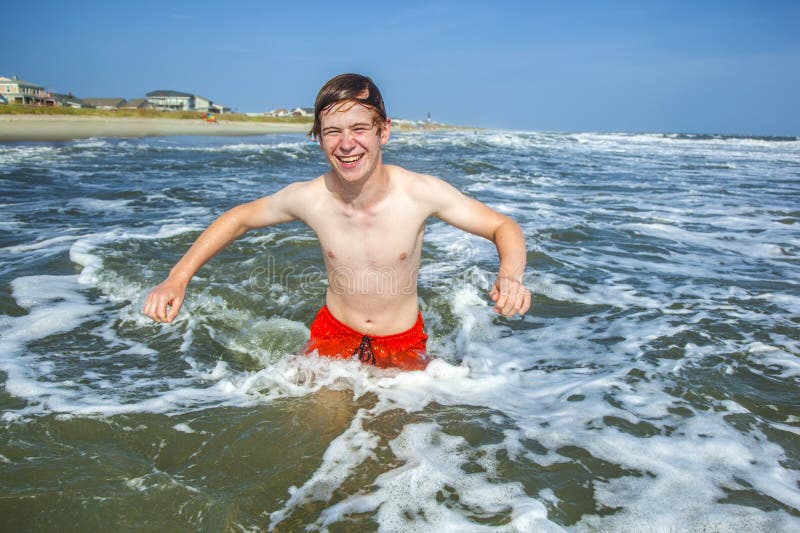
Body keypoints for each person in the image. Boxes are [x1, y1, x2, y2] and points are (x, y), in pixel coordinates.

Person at [143, 73, 530, 370]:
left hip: (402, 341)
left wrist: (510, 276)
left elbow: (503, 227)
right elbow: (239, 218)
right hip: (332, 333)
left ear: (384, 131)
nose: (347, 144)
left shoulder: (420, 193)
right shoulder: (311, 197)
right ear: (319, 138)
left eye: (360, 129)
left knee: (400, 450)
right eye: (333, 132)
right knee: (315, 437)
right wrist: (177, 278)